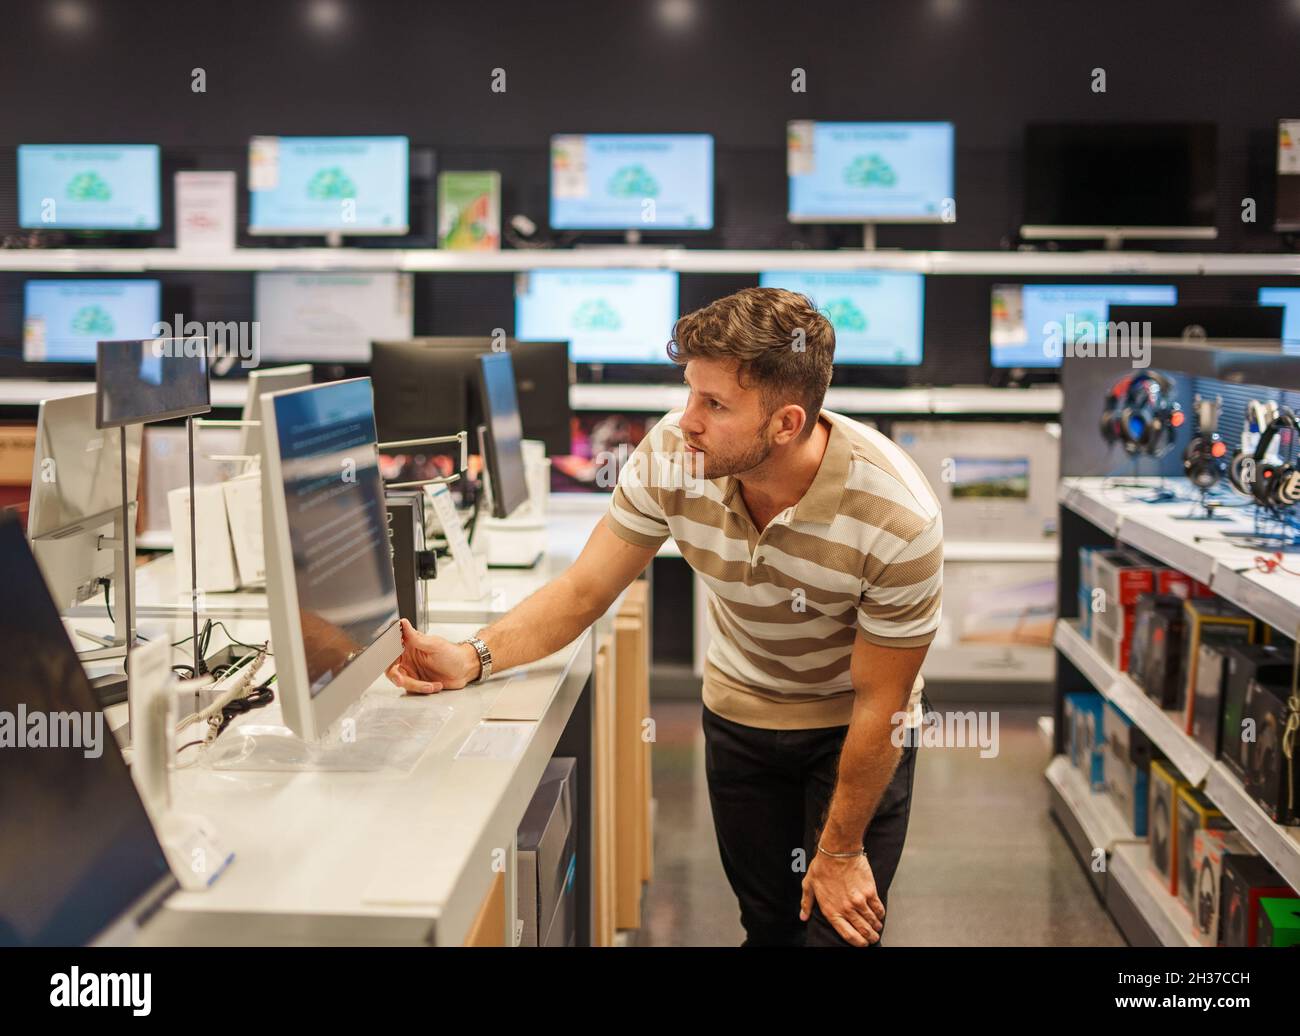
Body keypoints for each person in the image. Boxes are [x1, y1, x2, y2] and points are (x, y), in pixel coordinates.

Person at [386, 287, 943, 947]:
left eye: (714, 404)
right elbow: (584, 590)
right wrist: (471, 656)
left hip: (853, 730)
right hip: (742, 717)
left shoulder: (898, 518)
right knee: (768, 929)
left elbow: (884, 703)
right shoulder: (673, 456)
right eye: (689, 393)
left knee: (834, 936)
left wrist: (842, 850)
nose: (687, 420)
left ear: (786, 424)